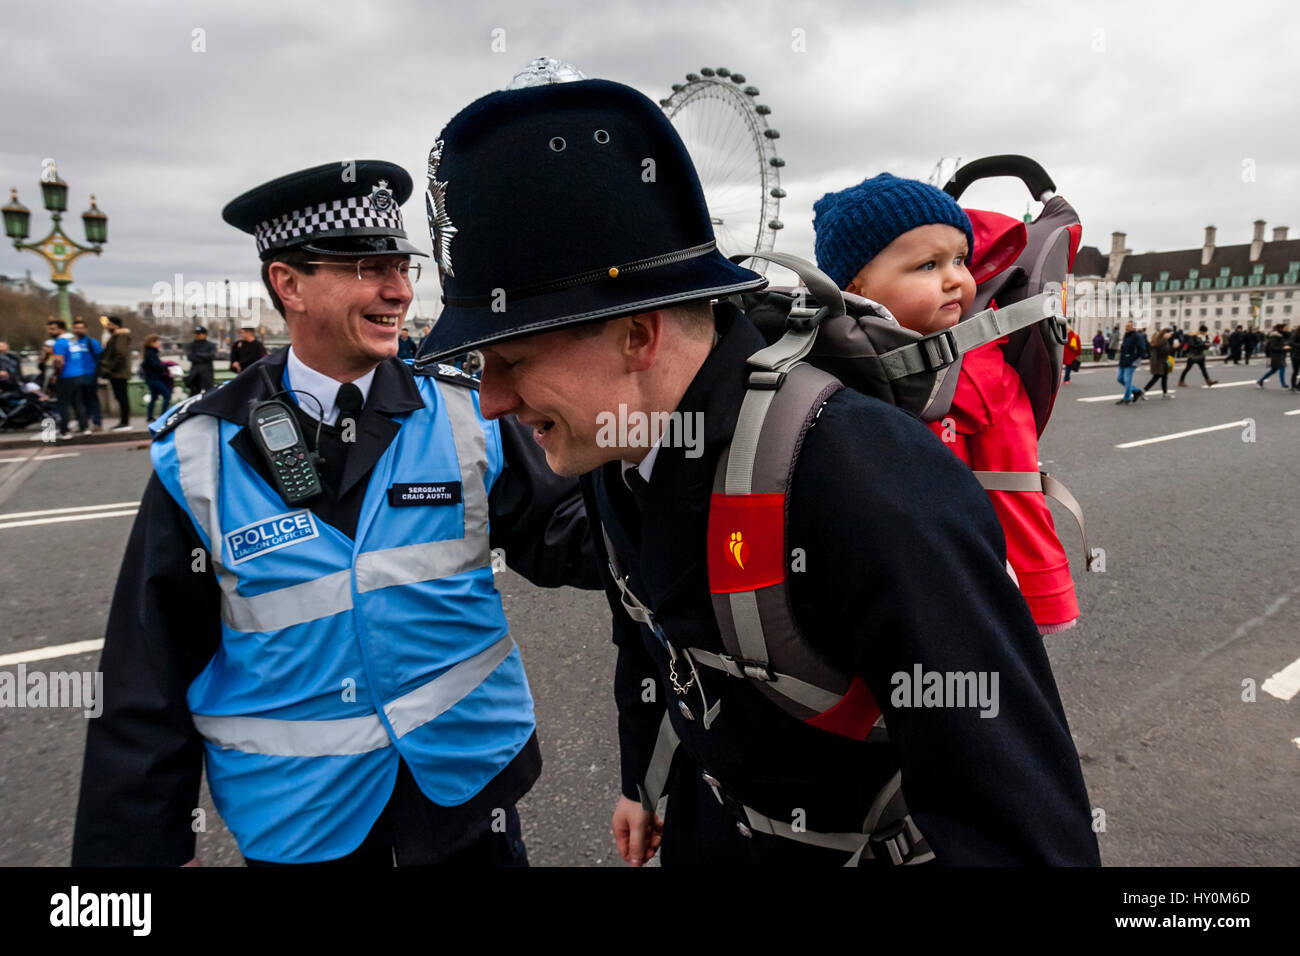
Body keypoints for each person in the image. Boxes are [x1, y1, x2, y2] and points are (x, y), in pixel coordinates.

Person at [415, 78, 1100, 867]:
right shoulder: (614, 443)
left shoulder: (864, 480)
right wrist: (644, 778)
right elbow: (642, 634)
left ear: (638, 335)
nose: (492, 399)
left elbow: (1018, 822)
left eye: (514, 358)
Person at [72, 160, 601, 868]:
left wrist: (672, 461)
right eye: (365, 267)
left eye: (402, 267)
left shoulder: (467, 407)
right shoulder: (197, 452)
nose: (399, 290)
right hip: (303, 820)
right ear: (287, 284)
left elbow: (567, 539)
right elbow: (146, 675)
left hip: (466, 796)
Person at [813, 172, 1079, 635]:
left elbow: (1013, 482)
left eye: (960, 259)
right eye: (929, 266)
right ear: (855, 287)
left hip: (969, 583)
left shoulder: (976, 364)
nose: (957, 278)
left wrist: (1042, 597)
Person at [53, 317, 103, 434]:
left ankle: (96, 422)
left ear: (86, 329)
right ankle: (84, 424)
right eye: (76, 328)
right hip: (78, 375)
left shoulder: (91, 342)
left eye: (81, 328)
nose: (78, 330)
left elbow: (99, 358)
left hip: (89, 374)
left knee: (92, 399)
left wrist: (97, 373)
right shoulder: (73, 342)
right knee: (80, 402)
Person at [99, 315, 134, 431]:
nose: (107, 327)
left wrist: (108, 368)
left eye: (109, 324)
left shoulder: (120, 336)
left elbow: (120, 355)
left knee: (122, 397)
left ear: (115, 325)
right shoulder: (116, 336)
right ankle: (123, 421)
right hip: (118, 372)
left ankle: (125, 422)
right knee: (120, 397)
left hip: (119, 373)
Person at [140, 334, 173, 422]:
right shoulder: (151, 353)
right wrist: (165, 365)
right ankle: (163, 416)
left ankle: (150, 416)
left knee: (153, 398)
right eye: (158, 341)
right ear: (152, 343)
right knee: (167, 396)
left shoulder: (149, 352)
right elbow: (155, 365)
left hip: (150, 379)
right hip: (154, 379)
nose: (160, 343)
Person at [1177, 324, 1218, 388]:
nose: (1205, 333)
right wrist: (1203, 345)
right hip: (1193, 355)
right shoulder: (1193, 336)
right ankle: (1181, 381)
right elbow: (1192, 345)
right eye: (1205, 332)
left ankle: (1208, 381)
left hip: (1200, 356)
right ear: (1202, 331)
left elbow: (1203, 347)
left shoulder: (1201, 337)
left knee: (1203, 369)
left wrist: (1207, 345)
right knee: (1187, 369)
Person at [1116, 319, 1147, 404]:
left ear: (1134, 327)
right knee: (1119, 378)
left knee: (1127, 380)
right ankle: (1137, 391)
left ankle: (1127, 398)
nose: (1126, 327)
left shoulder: (1138, 336)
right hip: (1123, 360)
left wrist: (1131, 358)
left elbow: (1142, 350)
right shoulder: (1126, 335)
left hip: (1131, 362)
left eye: (1128, 326)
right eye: (1126, 326)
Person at [1142, 326, 1174, 398]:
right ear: (1165, 333)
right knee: (1155, 378)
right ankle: (1142, 392)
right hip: (1160, 363)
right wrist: (1173, 348)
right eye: (1170, 334)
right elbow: (1163, 351)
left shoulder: (1163, 340)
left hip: (1163, 362)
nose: (1171, 335)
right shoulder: (1162, 341)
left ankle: (1165, 393)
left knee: (1164, 378)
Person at [1255, 323, 1291, 388]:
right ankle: (1283, 384)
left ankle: (1260, 381)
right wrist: (1283, 348)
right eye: (1286, 328)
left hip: (1281, 355)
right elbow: (1273, 347)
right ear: (1281, 328)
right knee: (1282, 368)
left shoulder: (1284, 335)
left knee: (1273, 370)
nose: (1287, 329)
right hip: (1276, 356)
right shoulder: (1275, 336)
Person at [184, 326, 216, 394]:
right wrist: (204, 356)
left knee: (210, 395)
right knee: (194, 396)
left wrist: (197, 354)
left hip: (207, 376)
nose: (197, 335)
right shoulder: (190, 345)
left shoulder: (211, 345)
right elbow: (190, 357)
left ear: (205, 334)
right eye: (196, 334)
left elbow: (211, 356)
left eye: (199, 334)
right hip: (194, 375)